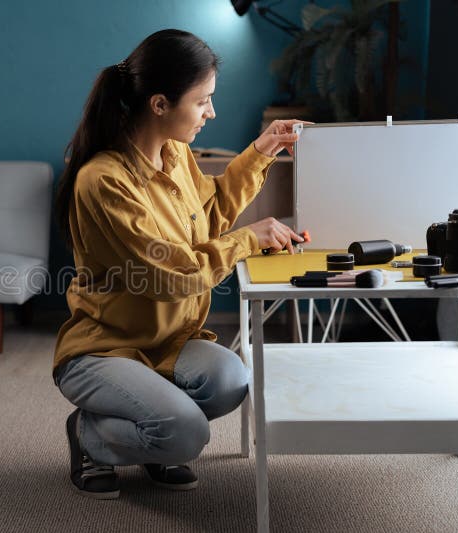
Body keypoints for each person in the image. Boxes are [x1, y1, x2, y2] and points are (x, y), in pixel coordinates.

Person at [52, 28, 304, 500]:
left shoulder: (176, 154)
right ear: (160, 104)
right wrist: (248, 240)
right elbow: (172, 276)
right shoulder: (103, 181)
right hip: (106, 349)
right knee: (187, 436)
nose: (212, 112)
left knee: (230, 381)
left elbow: (209, 215)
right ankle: (88, 435)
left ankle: (153, 431)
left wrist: (262, 150)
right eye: (203, 101)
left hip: (167, 342)